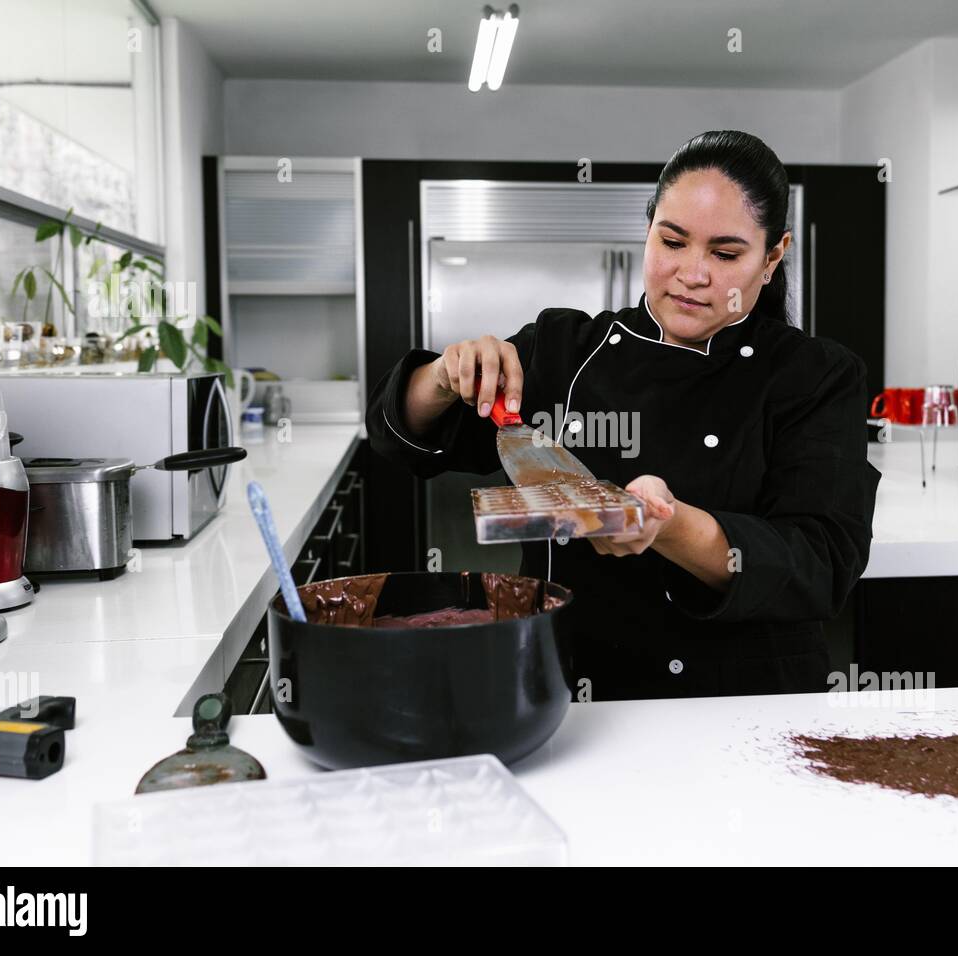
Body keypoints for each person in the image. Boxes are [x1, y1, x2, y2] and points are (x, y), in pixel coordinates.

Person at [367, 129, 880, 699]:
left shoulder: (815, 376)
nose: (693, 273)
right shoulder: (563, 348)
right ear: (648, 231)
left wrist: (671, 526)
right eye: (673, 241)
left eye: (725, 253)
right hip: (567, 681)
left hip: (742, 699)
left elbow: (821, 564)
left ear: (773, 256)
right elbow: (404, 439)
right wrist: (444, 374)